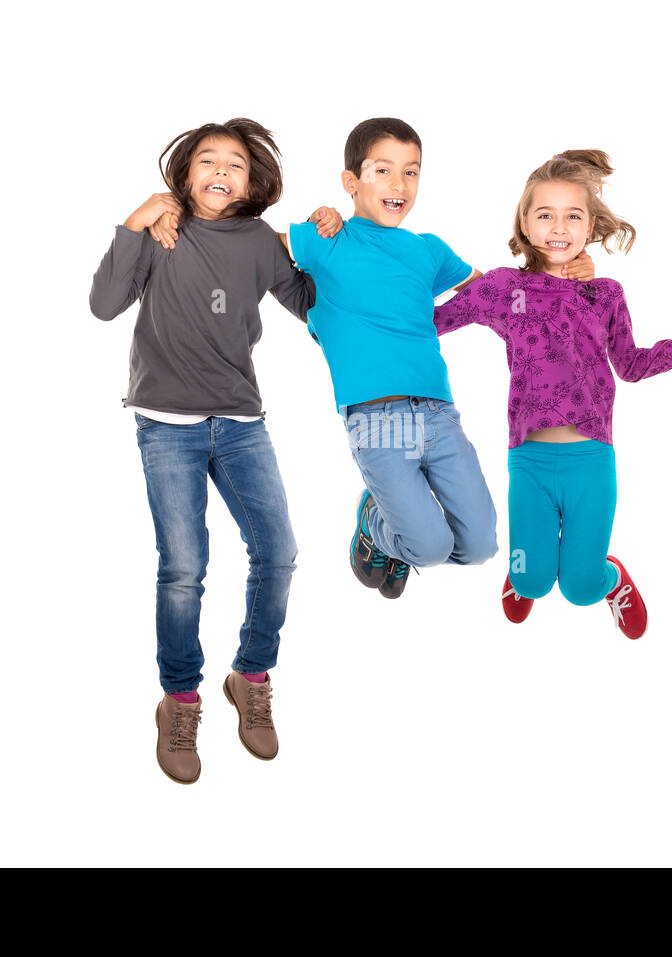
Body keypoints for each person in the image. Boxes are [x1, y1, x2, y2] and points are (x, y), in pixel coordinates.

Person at [88, 117, 340, 784]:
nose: (220, 170)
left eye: (236, 163)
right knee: (184, 564)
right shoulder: (162, 227)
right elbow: (104, 304)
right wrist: (135, 221)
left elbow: (312, 308)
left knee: (278, 550)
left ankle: (250, 676)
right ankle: (180, 697)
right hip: (166, 422)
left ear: (255, 182)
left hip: (239, 421)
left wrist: (325, 243)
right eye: (207, 159)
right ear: (184, 172)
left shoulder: (259, 240)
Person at [286, 118, 592, 599]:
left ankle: (393, 525)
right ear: (351, 183)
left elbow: (502, 295)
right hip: (375, 417)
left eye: (411, 172)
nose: (399, 185)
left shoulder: (428, 249)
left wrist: (565, 276)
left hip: (438, 414)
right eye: (382, 171)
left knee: (481, 547)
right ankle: (374, 523)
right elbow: (252, 247)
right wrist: (314, 216)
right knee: (427, 547)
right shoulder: (328, 240)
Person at [433, 150, 672, 637]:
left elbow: (630, 366)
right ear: (525, 224)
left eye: (573, 216)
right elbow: (432, 324)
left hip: (592, 460)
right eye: (544, 214)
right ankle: (525, 572)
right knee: (530, 583)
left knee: (581, 589)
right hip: (528, 461)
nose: (558, 227)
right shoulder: (504, 288)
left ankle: (609, 576)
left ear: (590, 225)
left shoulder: (604, 293)